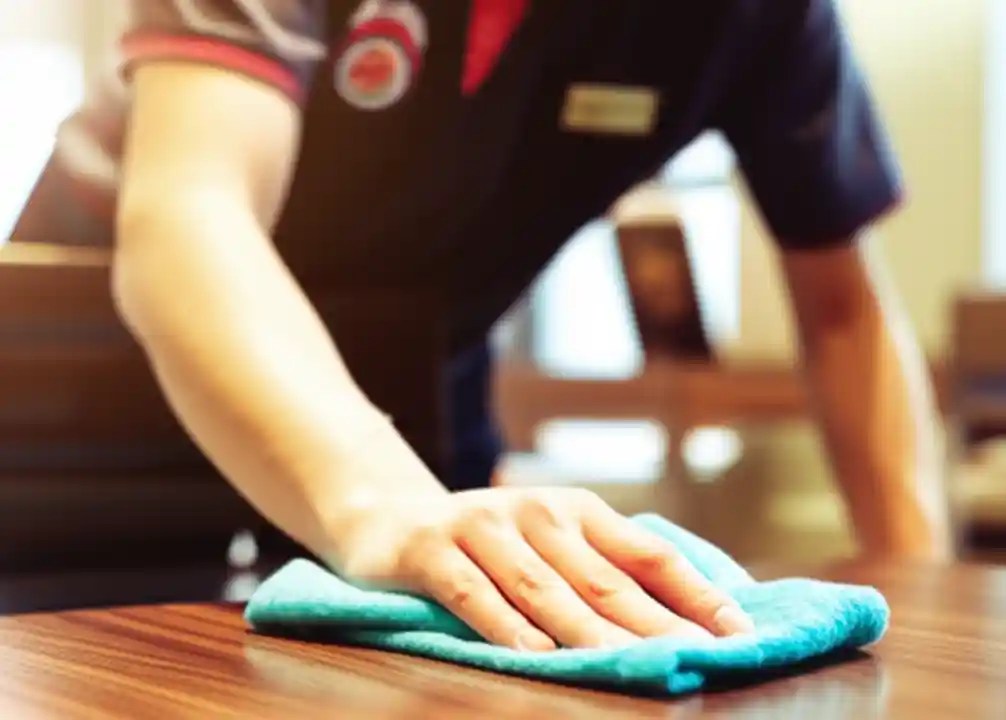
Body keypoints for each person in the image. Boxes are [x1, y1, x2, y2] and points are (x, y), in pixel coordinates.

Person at [7, 0, 950, 651]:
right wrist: (383, 503)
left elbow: (843, 312)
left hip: (413, 395)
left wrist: (928, 607)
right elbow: (193, 215)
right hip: (94, 396)